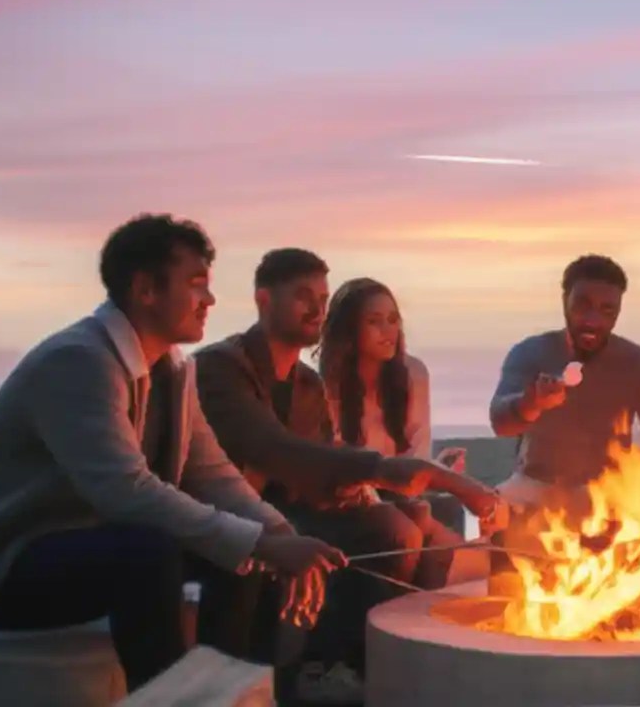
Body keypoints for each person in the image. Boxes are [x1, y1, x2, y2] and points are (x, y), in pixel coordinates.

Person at [0, 214, 344, 691]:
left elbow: (212, 473)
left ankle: (223, 694)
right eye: (195, 285)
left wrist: (277, 536)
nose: (210, 300)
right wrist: (261, 543)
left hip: (90, 549)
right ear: (146, 290)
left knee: (239, 557)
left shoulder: (173, 369)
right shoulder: (79, 361)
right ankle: (167, 698)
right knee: (150, 551)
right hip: (3, 572)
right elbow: (126, 492)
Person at [195, 255, 502, 702]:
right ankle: (319, 666)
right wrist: (398, 472)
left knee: (395, 527)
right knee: (397, 524)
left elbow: (327, 477)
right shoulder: (220, 369)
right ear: (263, 300)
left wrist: (387, 497)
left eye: (322, 298)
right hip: (234, 516)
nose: (316, 309)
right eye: (303, 296)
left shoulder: (305, 384)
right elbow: (278, 452)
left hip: (293, 508)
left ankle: (361, 660)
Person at [489, 255, 640, 507]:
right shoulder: (531, 352)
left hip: (606, 492)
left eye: (606, 310)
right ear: (565, 300)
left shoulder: (638, 364)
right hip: (535, 486)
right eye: (583, 306)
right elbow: (500, 424)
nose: (592, 320)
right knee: (496, 509)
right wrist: (531, 404)